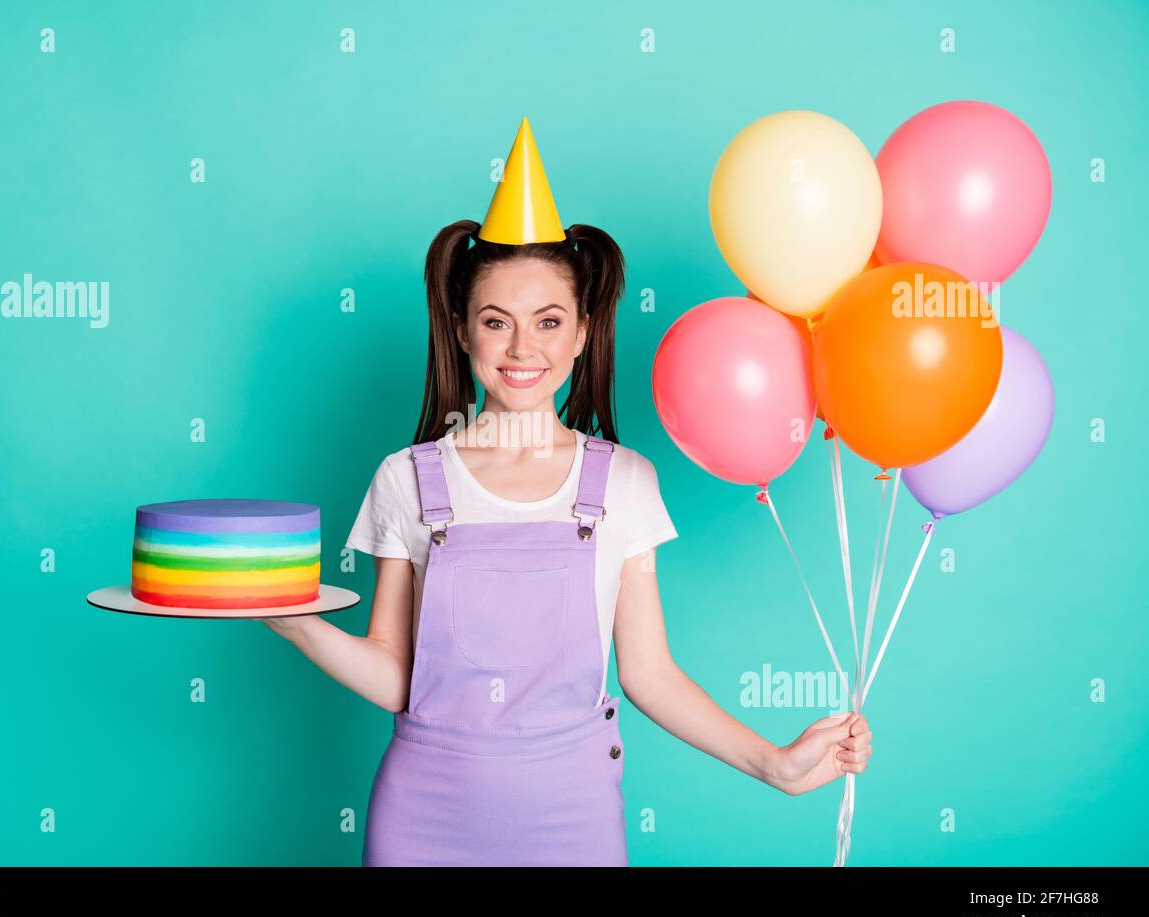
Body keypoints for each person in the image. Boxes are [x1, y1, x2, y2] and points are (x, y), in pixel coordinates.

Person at [259, 117, 872, 866]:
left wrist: (773, 763)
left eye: (549, 322)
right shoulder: (407, 478)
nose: (523, 350)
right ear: (461, 330)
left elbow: (649, 674)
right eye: (496, 322)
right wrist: (288, 618)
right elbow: (396, 676)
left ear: (583, 332)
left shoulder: (622, 483)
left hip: (571, 816)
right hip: (423, 817)